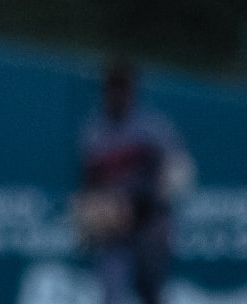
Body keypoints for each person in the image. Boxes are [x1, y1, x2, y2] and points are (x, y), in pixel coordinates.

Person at [74, 59, 193, 304]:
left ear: (132, 91)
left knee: (150, 293)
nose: (118, 94)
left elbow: (181, 173)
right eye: (112, 88)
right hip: (113, 226)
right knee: (111, 294)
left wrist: (155, 199)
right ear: (105, 91)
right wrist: (88, 220)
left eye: (123, 88)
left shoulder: (152, 128)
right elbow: (88, 185)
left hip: (150, 223)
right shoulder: (93, 132)